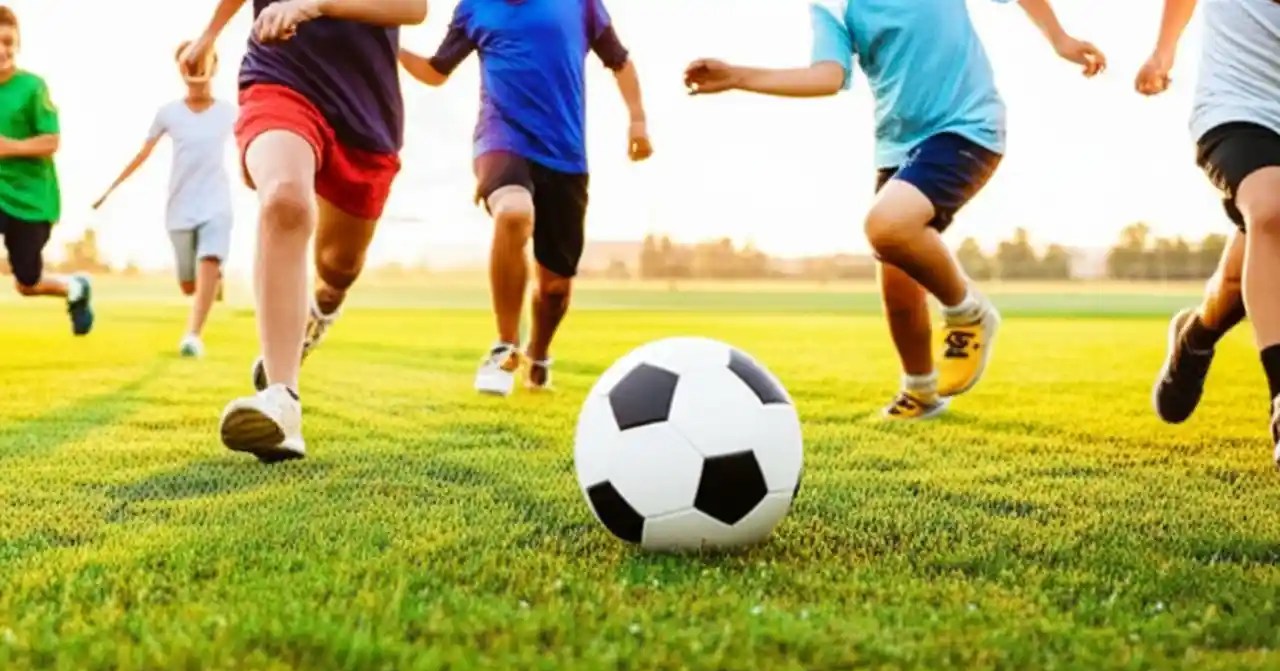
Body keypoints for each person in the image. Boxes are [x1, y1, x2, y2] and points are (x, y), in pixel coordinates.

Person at [683, 0, 1104, 419]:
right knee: (899, 290)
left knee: (886, 226)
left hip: (967, 126)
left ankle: (968, 312)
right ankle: (920, 393)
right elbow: (828, 76)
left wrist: (1060, 39)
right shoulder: (832, 5)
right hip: (898, 147)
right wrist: (738, 76)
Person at [183, 0, 428, 462]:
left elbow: (414, 9)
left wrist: (316, 4)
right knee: (285, 202)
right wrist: (210, 33)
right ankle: (282, 399)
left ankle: (317, 313)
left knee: (339, 269)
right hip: (281, 77)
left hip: (366, 112)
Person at [399, 0, 652, 396]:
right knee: (513, 212)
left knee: (555, 290)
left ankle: (538, 353)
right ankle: (505, 347)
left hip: (565, 155)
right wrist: (387, 45)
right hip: (501, 139)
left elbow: (619, 62)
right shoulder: (474, 9)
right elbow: (436, 72)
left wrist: (637, 119)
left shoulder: (581, 6)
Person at [1136, 0, 1280, 467]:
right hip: (1239, 107)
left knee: (1240, 280)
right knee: (1272, 209)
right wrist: (1163, 52)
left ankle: (1195, 336)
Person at [94, 43, 236, 357]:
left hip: (217, 203)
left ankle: (193, 335)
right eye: (189, 63)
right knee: (188, 283)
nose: (196, 68)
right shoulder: (169, 113)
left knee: (209, 259)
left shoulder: (228, 112)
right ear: (180, 70)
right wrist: (110, 190)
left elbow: (250, 148)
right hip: (180, 206)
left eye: (202, 61)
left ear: (214, 66)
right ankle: (212, 283)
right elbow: (143, 154)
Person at [0, 5, 93, 335]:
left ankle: (75, 288)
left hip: (32, 201)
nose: (2, 50)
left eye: (8, 42)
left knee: (27, 282)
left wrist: (8, 147)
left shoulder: (32, 88)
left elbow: (52, 141)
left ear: (18, 44)